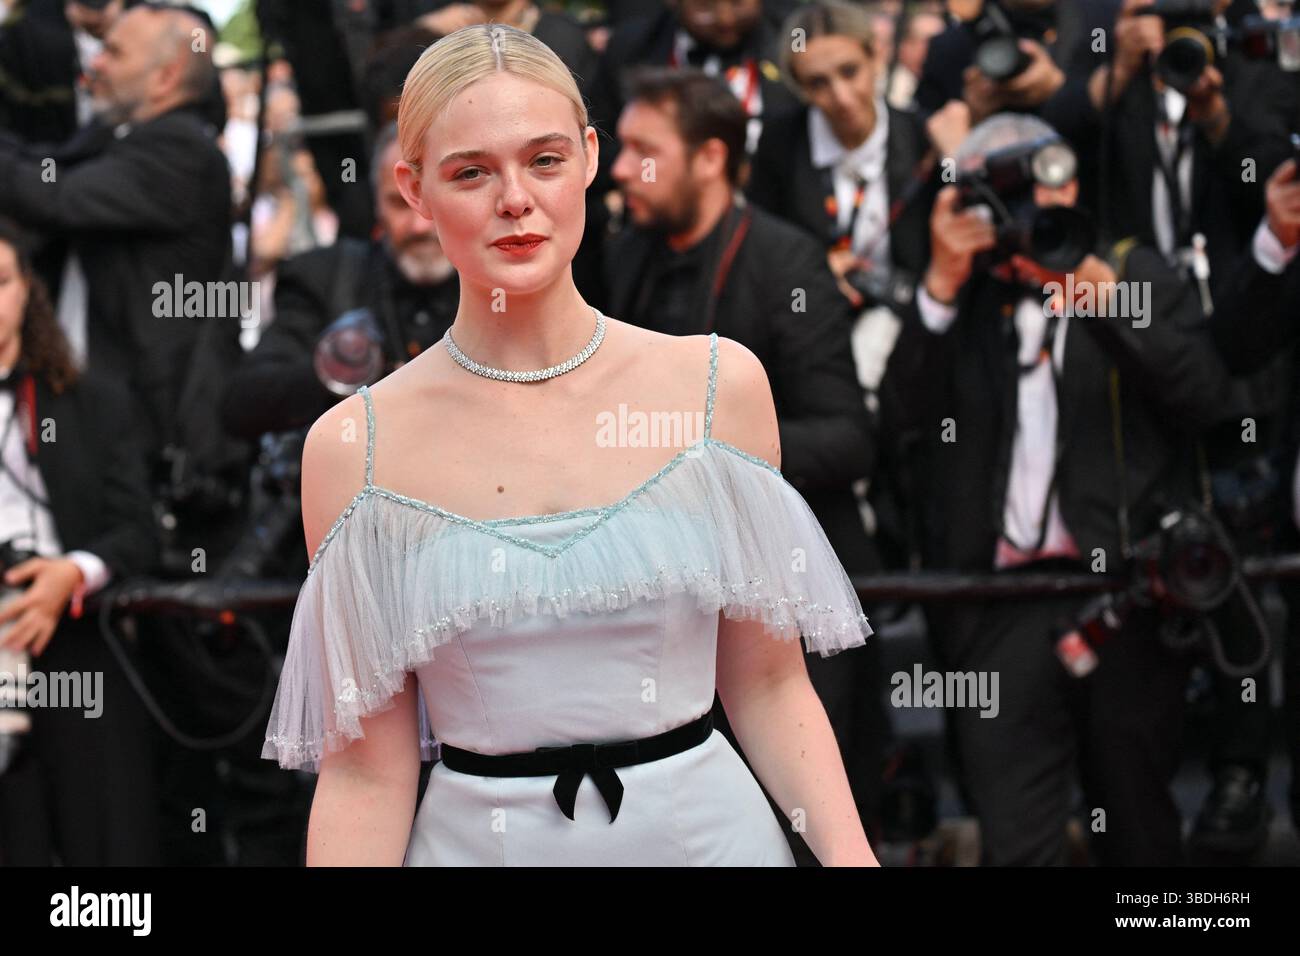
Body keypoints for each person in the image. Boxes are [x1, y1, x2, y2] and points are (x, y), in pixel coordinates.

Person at [261, 23, 878, 867]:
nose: (515, 199)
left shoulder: (715, 389)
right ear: (411, 188)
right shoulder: (353, 447)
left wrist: (853, 862)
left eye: (544, 160)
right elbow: (367, 771)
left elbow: (770, 685)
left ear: (591, 158)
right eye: (471, 172)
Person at [880, 112, 1238, 864]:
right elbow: (900, 425)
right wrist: (941, 287)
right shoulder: (968, 301)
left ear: (1073, 186)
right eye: (1001, 198)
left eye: (1044, 184)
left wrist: (1106, 306)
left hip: (1129, 594)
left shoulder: (1135, 274)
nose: (1027, 216)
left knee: (1138, 826)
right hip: (1000, 604)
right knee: (1016, 841)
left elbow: (1207, 400)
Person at [0, 217, 160, 865]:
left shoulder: (90, 401)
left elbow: (138, 531)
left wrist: (73, 573)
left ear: (25, 291)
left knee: (108, 833)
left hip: (73, 627)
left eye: (0, 280)